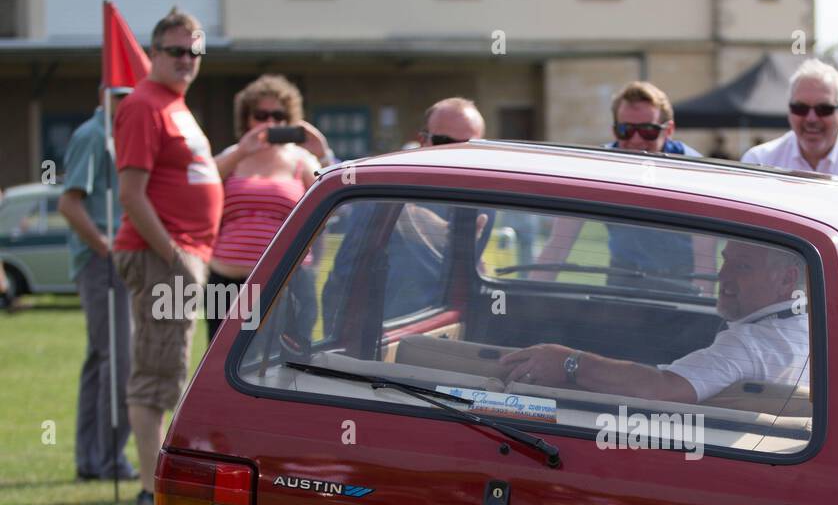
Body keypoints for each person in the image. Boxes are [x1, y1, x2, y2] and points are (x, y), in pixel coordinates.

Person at [112, 8, 223, 505]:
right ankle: (150, 486)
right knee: (157, 367)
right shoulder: (143, 105)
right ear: (153, 53)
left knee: (172, 364)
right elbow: (131, 194)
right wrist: (174, 255)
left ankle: (158, 476)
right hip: (162, 255)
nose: (186, 60)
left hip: (183, 255)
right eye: (176, 51)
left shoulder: (176, 104)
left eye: (195, 51)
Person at [499, 239, 806, 404]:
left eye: (743, 266)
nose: (722, 274)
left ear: (786, 279)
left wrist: (568, 362)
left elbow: (660, 390)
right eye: (724, 260)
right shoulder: (812, 330)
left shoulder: (749, 346)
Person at [319, 98, 485, 331]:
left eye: (468, 145)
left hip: (438, 327)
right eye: (444, 141)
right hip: (365, 327)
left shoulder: (485, 194)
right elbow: (351, 191)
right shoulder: (389, 181)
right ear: (423, 141)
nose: (454, 151)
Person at [533, 81, 715, 291]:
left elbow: (705, 261)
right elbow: (557, 246)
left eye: (648, 130)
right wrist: (525, 302)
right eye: (625, 130)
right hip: (624, 277)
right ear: (614, 131)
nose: (636, 140)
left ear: (669, 130)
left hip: (682, 279)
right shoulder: (596, 168)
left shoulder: (693, 170)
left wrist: (702, 309)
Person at [207, 75, 324, 349]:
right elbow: (200, 183)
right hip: (228, 282)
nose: (270, 123)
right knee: (221, 362)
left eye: (278, 115)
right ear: (247, 118)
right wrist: (240, 152)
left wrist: (323, 152)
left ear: (290, 119)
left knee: (287, 365)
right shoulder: (234, 156)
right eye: (261, 115)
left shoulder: (302, 159)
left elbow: (333, 195)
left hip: (287, 282)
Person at [59, 100, 137, 481]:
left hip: (111, 259)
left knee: (102, 360)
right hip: (101, 262)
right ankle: (109, 460)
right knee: (119, 360)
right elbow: (69, 203)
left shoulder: (120, 135)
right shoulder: (92, 135)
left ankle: (92, 460)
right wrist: (107, 247)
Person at [742, 59, 838, 198]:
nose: (811, 118)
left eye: (824, 109)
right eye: (800, 108)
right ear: (789, 111)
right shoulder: (759, 163)